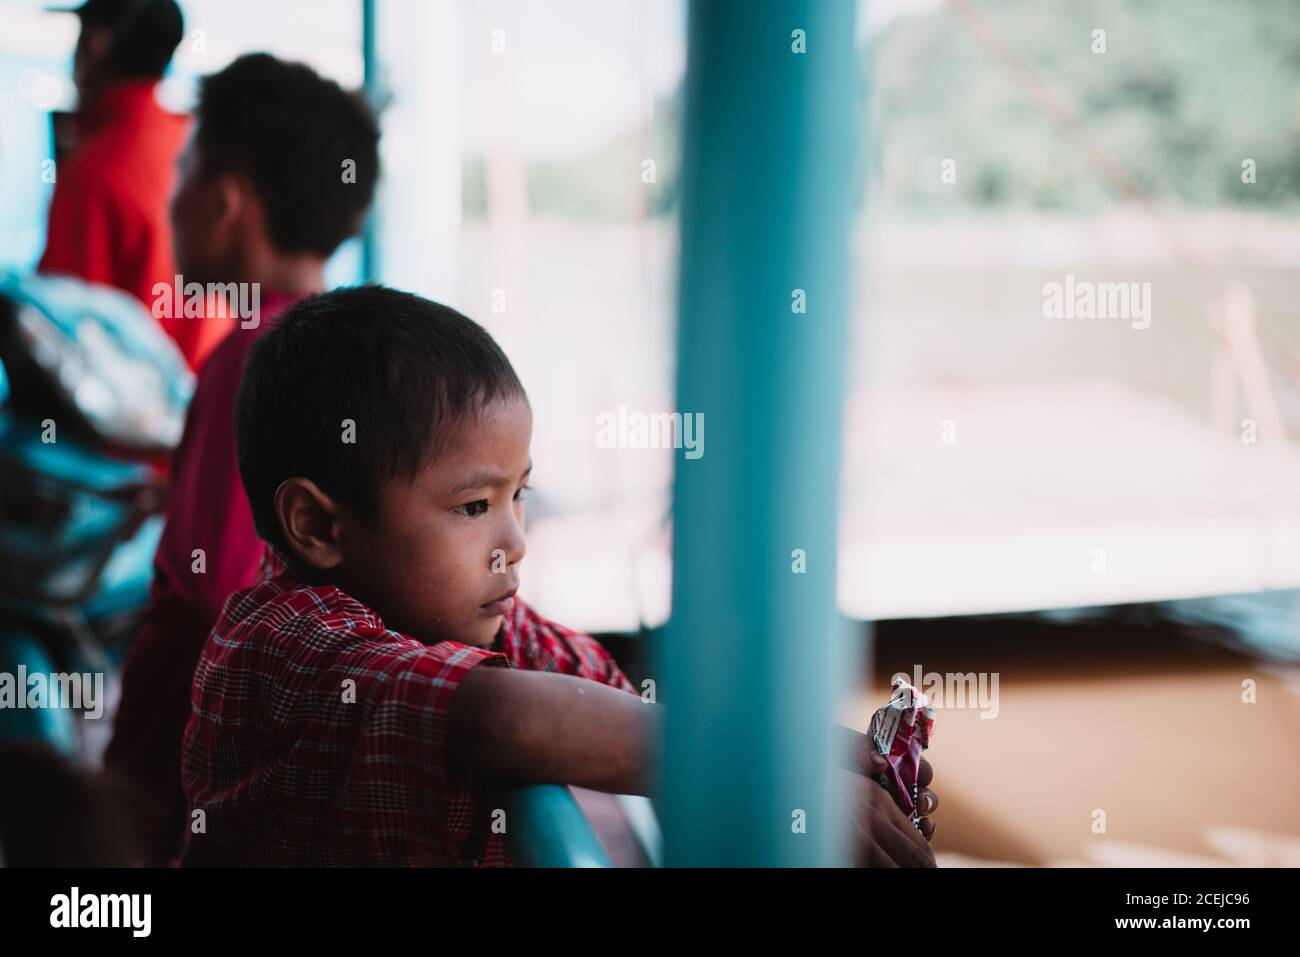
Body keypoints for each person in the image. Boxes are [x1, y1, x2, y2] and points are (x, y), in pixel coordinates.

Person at [180, 286, 939, 867]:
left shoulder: (455, 609)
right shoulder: (284, 643)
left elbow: (599, 690)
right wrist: (767, 781)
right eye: (475, 504)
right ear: (318, 525)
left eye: (520, 495)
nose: (515, 540)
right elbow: (506, 716)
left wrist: (812, 750)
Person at [104, 53, 381, 862]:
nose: (171, 192)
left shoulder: (254, 358)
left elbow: (210, 599)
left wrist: (135, 792)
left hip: (179, 793)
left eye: (183, 166)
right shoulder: (352, 353)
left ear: (225, 200)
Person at [36, 0, 229, 368]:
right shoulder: (193, 146)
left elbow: (63, 343)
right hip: (201, 399)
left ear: (97, 45)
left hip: (126, 420)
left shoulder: (92, 173)